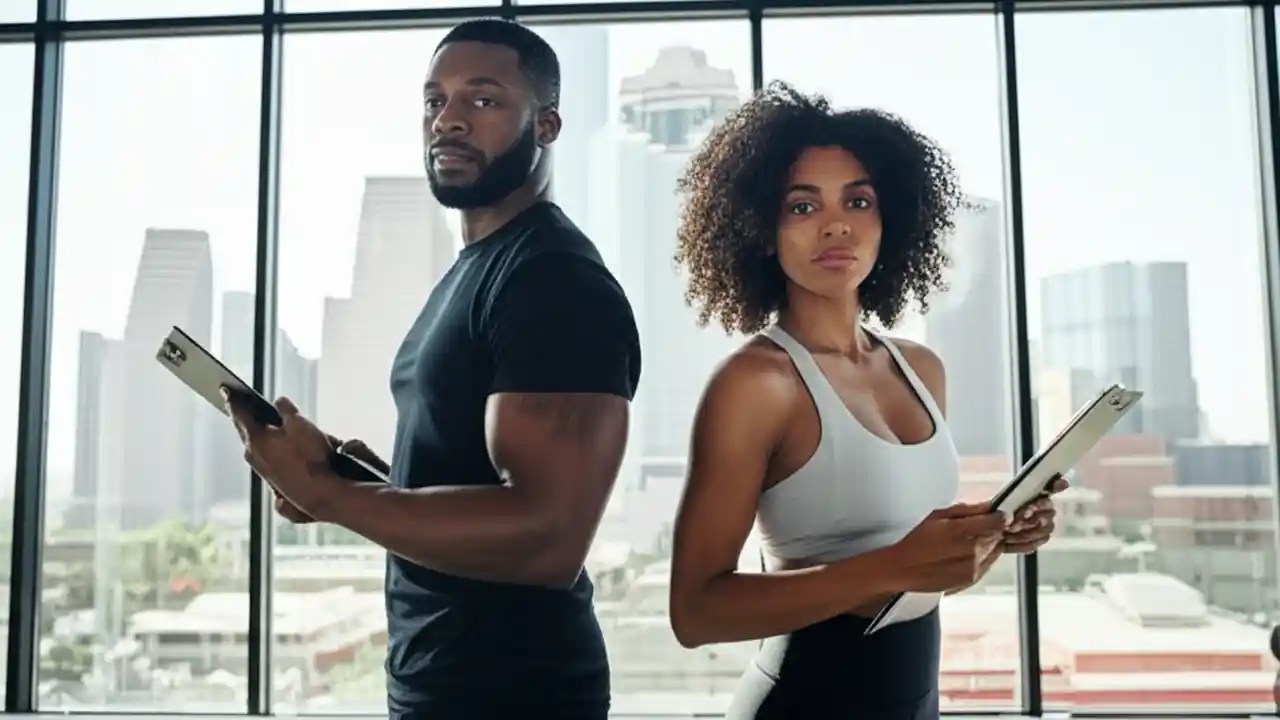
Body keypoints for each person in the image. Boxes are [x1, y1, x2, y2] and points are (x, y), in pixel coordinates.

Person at [223, 18, 641, 719]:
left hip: (514, 696)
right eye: (434, 101)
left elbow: (547, 538)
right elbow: (474, 486)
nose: (448, 119)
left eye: (482, 99)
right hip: (440, 685)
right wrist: (361, 481)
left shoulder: (554, 279)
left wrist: (328, 497)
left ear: (546, 125)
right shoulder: (477, 269)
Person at [666, 81, 1066, 719]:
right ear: (763, 230)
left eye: (859, 201)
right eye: (803, 206)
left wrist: (994, 537)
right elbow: (695, 613)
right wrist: (895, 565)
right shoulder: (755, 384)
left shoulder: (921, 369)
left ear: (889, 221)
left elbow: (911, 583)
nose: (836, 224)